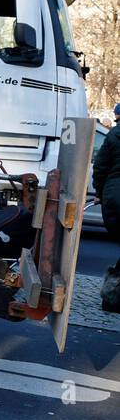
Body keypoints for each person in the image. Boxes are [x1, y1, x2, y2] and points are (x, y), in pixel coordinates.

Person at [91, 104, 120, 311]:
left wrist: (101, 193)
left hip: (114, 198)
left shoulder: (112, 136)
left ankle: (112, 297)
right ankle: (112, 297)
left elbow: (100, 169)